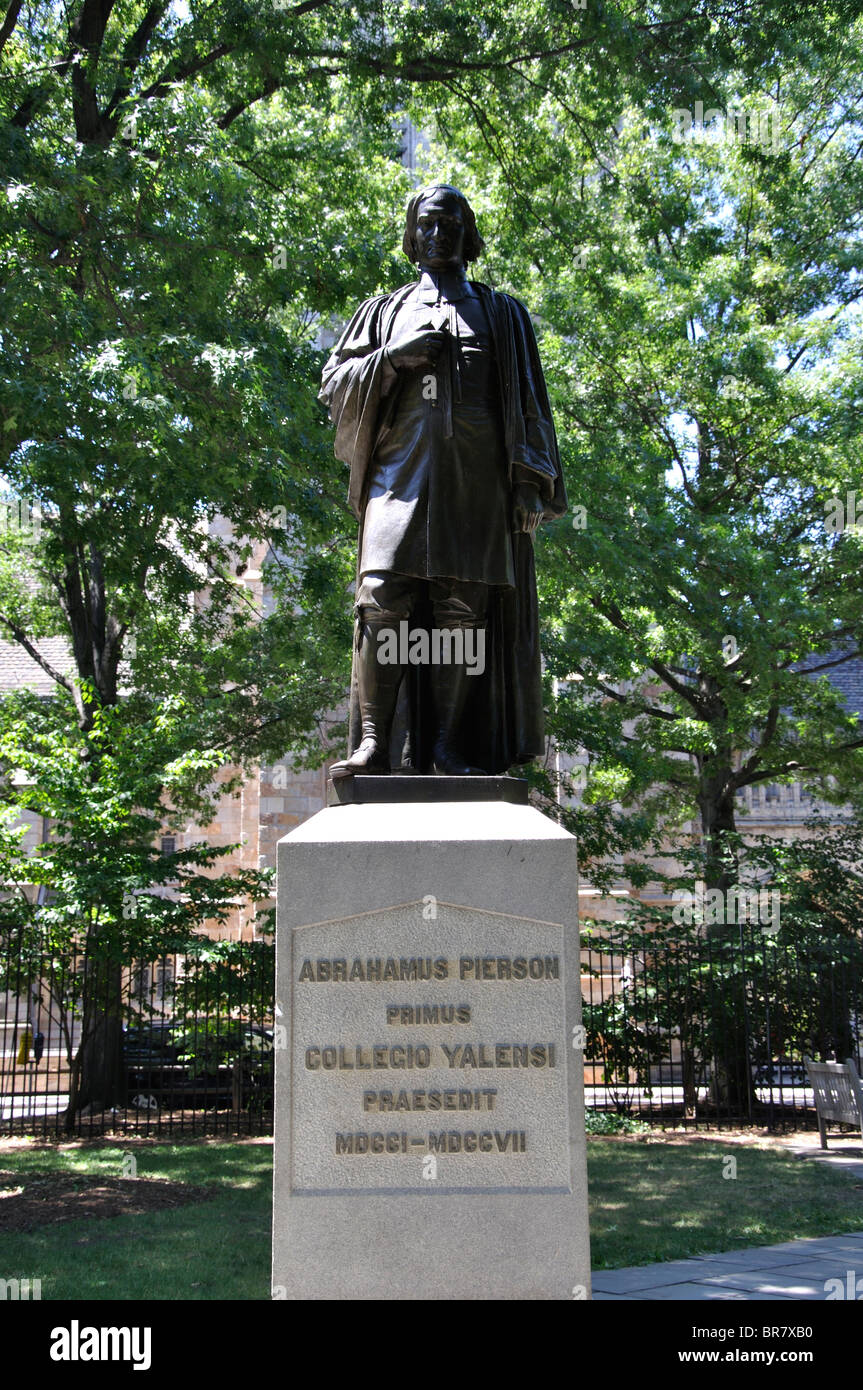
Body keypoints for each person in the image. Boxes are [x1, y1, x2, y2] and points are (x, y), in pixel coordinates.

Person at [319, 183, 566, 777]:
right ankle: (376, 741)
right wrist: (392, 357)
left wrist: (529, 481)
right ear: (412, 233)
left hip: (475, 483)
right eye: (427, 224)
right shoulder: (384, 312)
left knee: (462, 609)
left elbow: (530, 402)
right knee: (381, 597)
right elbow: (333, 386)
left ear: (468, 234)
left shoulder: (502, 313)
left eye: (451, 224)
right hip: (398, 477)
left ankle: (448, 748)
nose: (438, 234)